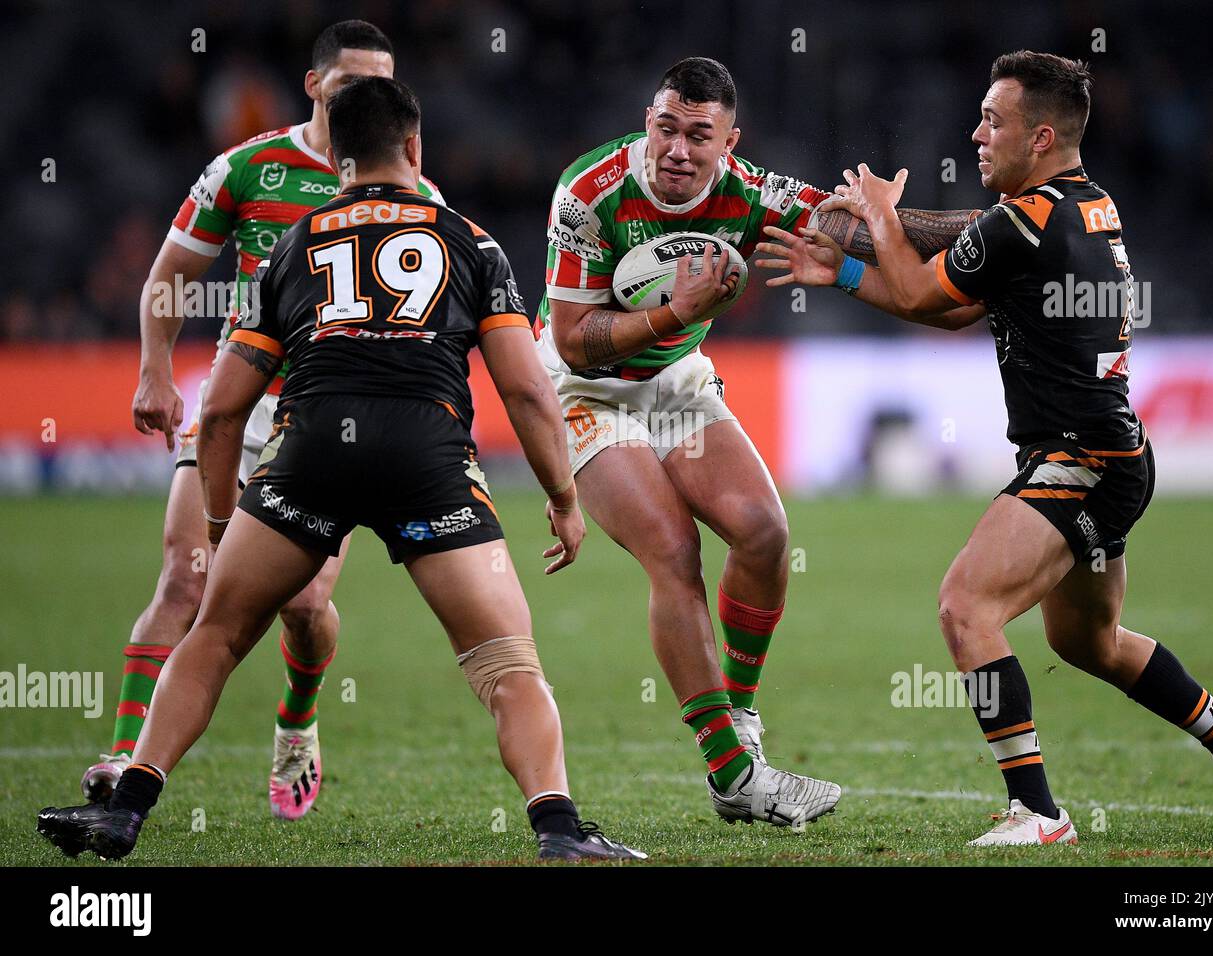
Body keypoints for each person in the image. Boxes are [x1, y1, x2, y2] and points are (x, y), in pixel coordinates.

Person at [40, 75, 643, 862]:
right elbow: (527, 387)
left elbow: (222, 410)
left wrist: (225, 524)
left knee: (216, 634)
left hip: (311, 448)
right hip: (428, 455)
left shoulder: (293, 246)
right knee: (506, 663)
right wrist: (563, 497)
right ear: (415, 148)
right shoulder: (471, 238)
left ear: (340, 157)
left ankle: (128, 807)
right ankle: (559, 831)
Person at [756, 50, 1213, 845]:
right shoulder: (1089, 206)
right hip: (1114, 456)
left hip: (1078, 461)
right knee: (1088, 642)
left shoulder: (1025, 220)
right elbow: (948, 311)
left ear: (1040, 136)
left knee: (965, 606)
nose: (976, 133)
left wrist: (874, 217)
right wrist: (839, 275)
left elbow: (913, 288)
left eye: (992, 121)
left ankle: (1037, 814)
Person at [87, 20, 443, 820]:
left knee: (306, 607)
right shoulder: (246, 169)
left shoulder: (413, 192)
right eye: (353, 82)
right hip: (239, 404)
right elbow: (171, 273)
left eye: (382, 83)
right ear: (315, 85)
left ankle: (298, 715)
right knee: (188, 573)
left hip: (333, 413)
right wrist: (153, 371)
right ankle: (123, 754)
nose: (368, 97)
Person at [536, 56, 848, 826]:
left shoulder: (753, 193)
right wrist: (677, 313)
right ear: (649, 122)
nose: (677, 149)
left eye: (697, 136)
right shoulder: (589, 192)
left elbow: (854, 229)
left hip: (672, 380)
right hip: (584, 392)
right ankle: (735, 776)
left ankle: (739, 725)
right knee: (672, 551)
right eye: (666, 128)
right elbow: (575, 344)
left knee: (765, 531)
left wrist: (976, 226)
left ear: (728, 142)